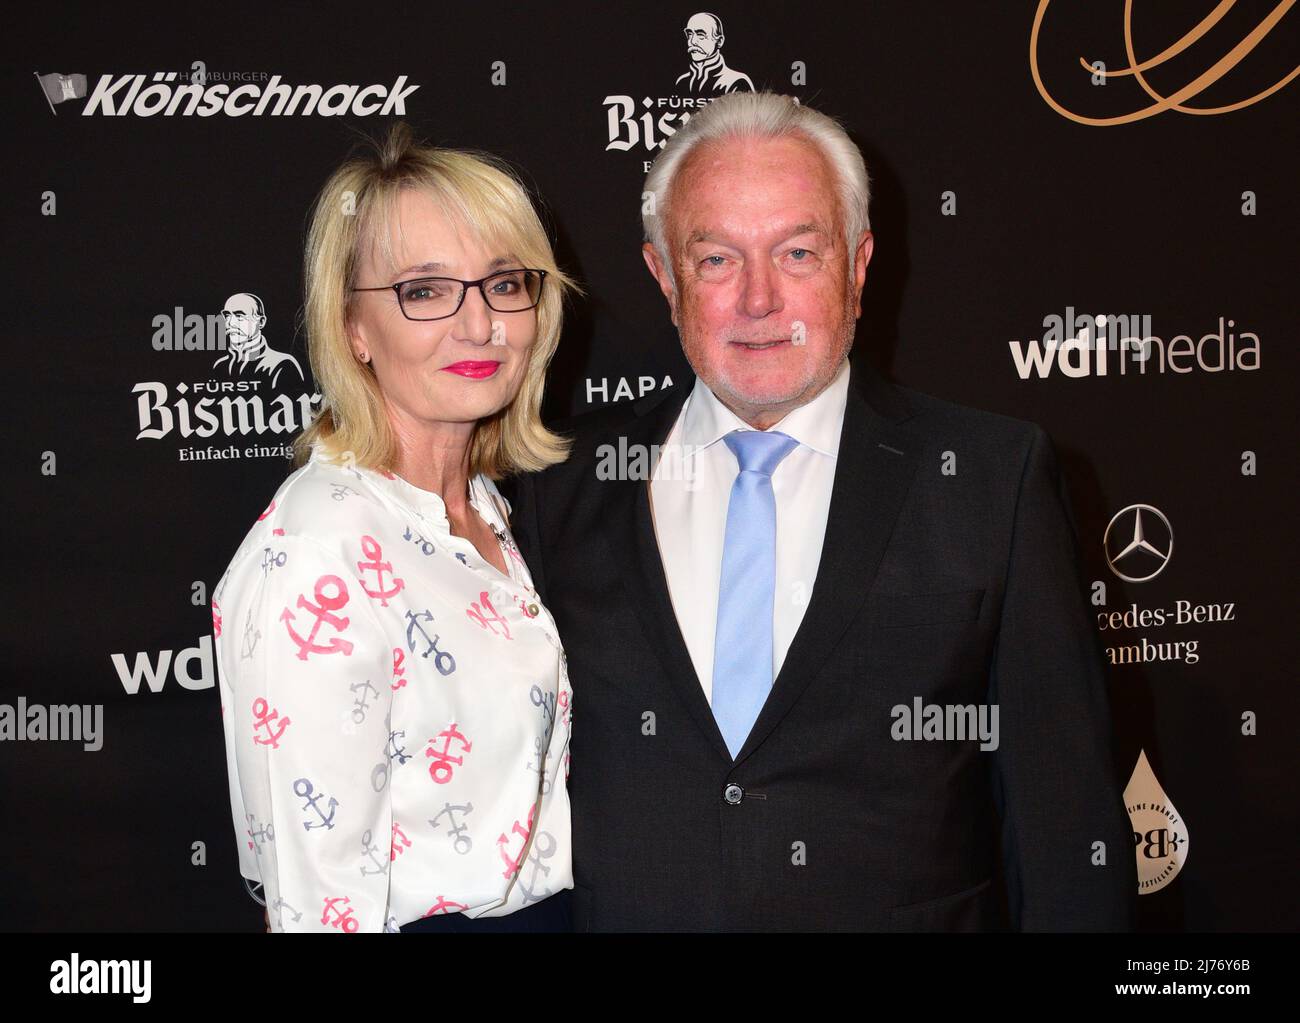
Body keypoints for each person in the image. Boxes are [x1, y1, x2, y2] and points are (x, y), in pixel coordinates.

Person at [507, 92, 1137, 931]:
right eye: (718, 260)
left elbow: (1067, 831)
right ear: (664, 275)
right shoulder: (555, 485)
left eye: (798, 252)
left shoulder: (990, 479)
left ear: (859, 264)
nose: (759, 300)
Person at [212, 122, 578, 932]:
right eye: (425, 290)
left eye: (505, 282)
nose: (479, 324)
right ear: (353, 328)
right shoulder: (317, 552)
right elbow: (318, 906)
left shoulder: (482, 508)